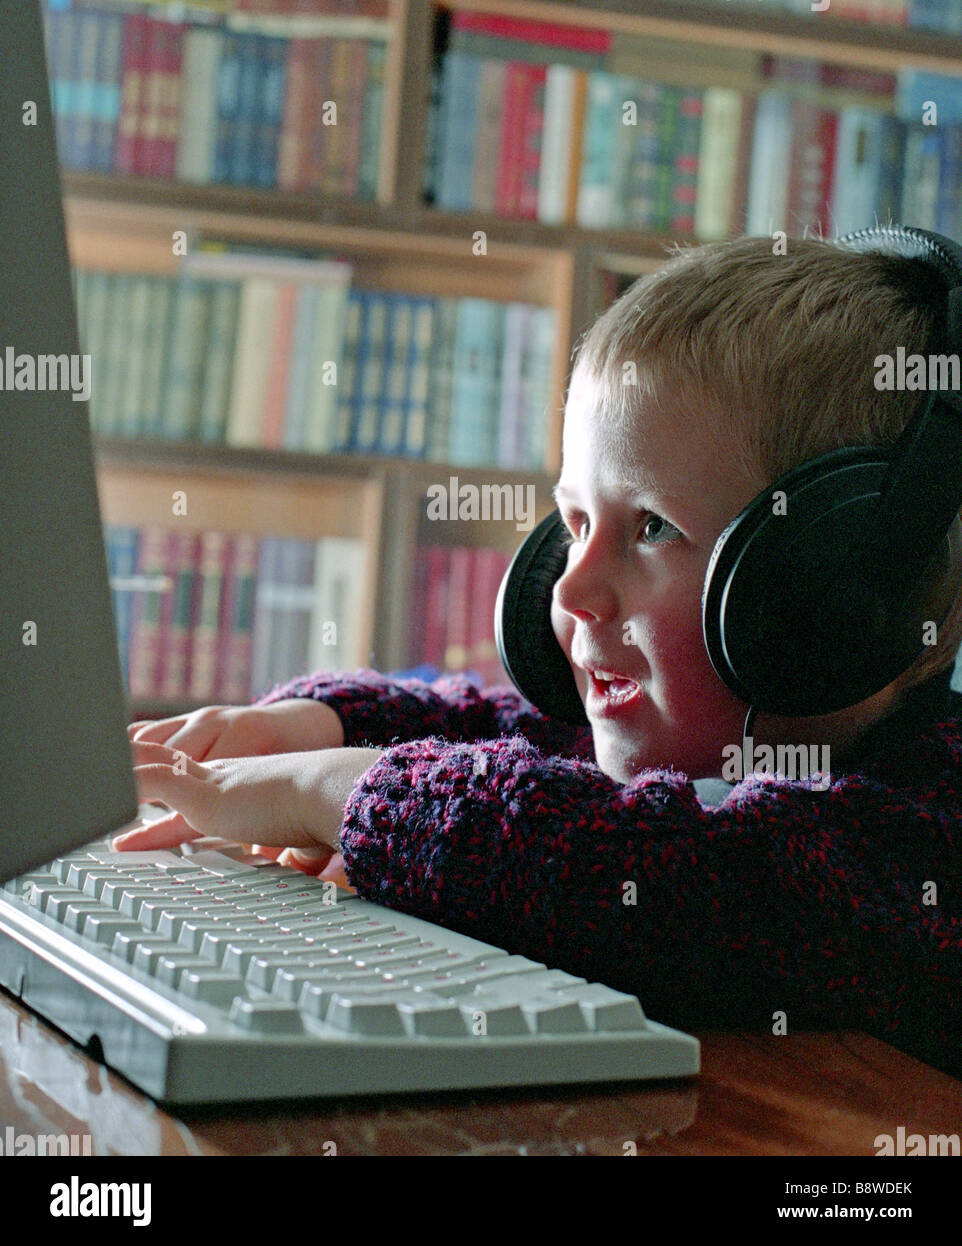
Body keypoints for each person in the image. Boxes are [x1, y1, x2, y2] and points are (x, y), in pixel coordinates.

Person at [115, 234, 962, 1078]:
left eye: (653, 527)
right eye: (576, 525)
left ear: (841, 591)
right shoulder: (700, 740)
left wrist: (330, 789)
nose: (569, 591)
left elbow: (651, 875)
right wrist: (319, 724)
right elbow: (504, 731)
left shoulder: (920, 845)